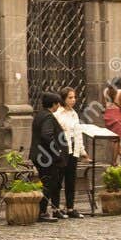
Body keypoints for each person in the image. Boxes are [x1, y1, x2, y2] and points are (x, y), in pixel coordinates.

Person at [31, 91, 67, 222]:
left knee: (46, 182)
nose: (58, 106)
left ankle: (42, 211)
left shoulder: (39, 115)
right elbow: (47, 135)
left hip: (40, 154)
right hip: (46, 156)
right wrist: (56, 151)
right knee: (48, 183)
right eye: (58, 104)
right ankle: (41, 212)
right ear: (54, 104)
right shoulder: (48, 117)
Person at [55, 88, 86, 218]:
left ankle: (70, 207)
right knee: (58, 179)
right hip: (62, 150)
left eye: (74, 97)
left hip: (73, 149)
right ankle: (56, 208)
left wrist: (82, 150)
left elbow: (78, 133)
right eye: (70, 98)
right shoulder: (58, 114)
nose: (73, 100)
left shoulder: (74, 114)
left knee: (71, 179)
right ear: (63, 99)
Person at [101, 81, 121, 162]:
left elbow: (104, 106)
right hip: (118, 116)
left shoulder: (105, 92)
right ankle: (114, 161)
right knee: (116, 140)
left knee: (112, 139)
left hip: (108, 116)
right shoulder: (120, 92)